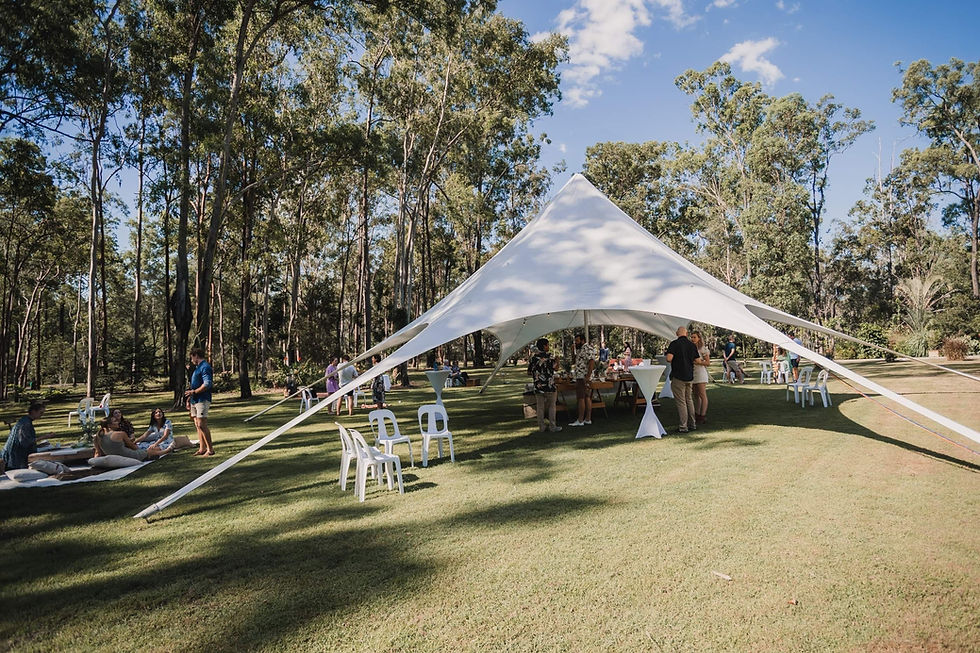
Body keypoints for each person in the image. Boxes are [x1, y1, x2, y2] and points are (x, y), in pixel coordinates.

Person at [94, 411, 168, 461]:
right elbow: (134, 447)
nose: (117, 422)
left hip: (116, 456)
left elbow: (98, 453)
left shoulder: (98, 436)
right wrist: (144, 451)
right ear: (109, 425)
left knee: (150, 449)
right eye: (115, 421)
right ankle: (167, 451)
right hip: (129, 455)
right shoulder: (120, 434)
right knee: (154, 450)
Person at [665, 326, 700, 433]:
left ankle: (683, 426)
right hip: (689, 375)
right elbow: (697, 360)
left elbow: (669, 358)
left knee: (681, 402)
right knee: (689, 400)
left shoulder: (674, 344)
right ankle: (692, 424)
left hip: (678, 376)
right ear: (686, 333)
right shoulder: (692, 345)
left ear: (677, 333)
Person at [0, 402, 51, 471]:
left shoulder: (26, 421)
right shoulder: (25, 423)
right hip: (15, 456)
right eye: (40, 413)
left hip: (16, 453)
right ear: (33, 411)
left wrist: (39, 445)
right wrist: (45, 437)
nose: (41, 415)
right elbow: (25, 442)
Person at [184, 347, 215, 456]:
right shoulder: (197, 368)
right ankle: (202, 448)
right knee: (197, 424)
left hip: (202, 399)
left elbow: (207, 384)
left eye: (192, 357)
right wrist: (190, 398)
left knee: (202, 424)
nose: (191, 360)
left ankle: (210, 450)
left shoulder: (205, 367)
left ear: (196, 355)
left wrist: (194, 392)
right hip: (195, 399)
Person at [527, 338, 561, 433]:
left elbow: (528, 372)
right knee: (552, 406)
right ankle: (552, 426)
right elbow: (556, 368)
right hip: (549, 385)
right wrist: (557, 361)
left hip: (538, 386)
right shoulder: (549, 357)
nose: (548, 347)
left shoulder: (533, 358)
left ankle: (541, 427)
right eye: (547, 345)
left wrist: (537, 374)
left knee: (540, 407)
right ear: (544, 346)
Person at [569, 332, 598, 427]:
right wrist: (572, 351)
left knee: (581, 398)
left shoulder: (587, 349)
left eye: (577, 341)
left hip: (583, 376)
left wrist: (588, 376)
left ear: (582, 340)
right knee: (586, 397)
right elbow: (574, 361)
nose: (575, 343)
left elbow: (591, 362)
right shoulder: (580, 350)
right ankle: (588, 419)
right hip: (580, 376)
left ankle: (580, 420)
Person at [690, 331, 710, 425]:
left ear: (699, 338)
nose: (692, 339)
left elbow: (708, 363)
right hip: (692, 374)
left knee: (702, 394)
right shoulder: (690, 348)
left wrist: (698, 362)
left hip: (700, 374)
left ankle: (703, 415)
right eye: (691, 337)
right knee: (695, 395)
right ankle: (697, 413)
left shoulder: (703, 349)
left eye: (694, 337)